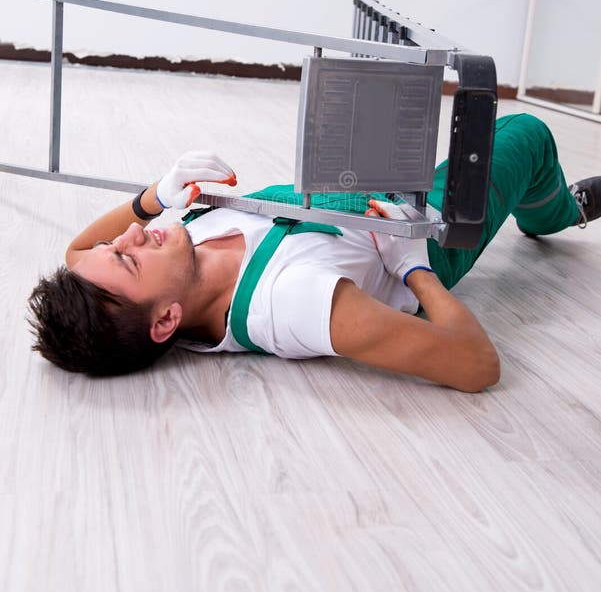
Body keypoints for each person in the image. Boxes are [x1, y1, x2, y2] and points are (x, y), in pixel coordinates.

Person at [28, 113, 601, 392]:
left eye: (118, 240)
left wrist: (154, 197)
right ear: (168, 320)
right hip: (412, 234)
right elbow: (477, 365)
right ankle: (560, 211)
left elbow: (80, 252)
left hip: (357, 189)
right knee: (525, 134)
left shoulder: (154, 277)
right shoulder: (293, 302)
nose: (130, 235)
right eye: (128, 256)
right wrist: (416, 267)